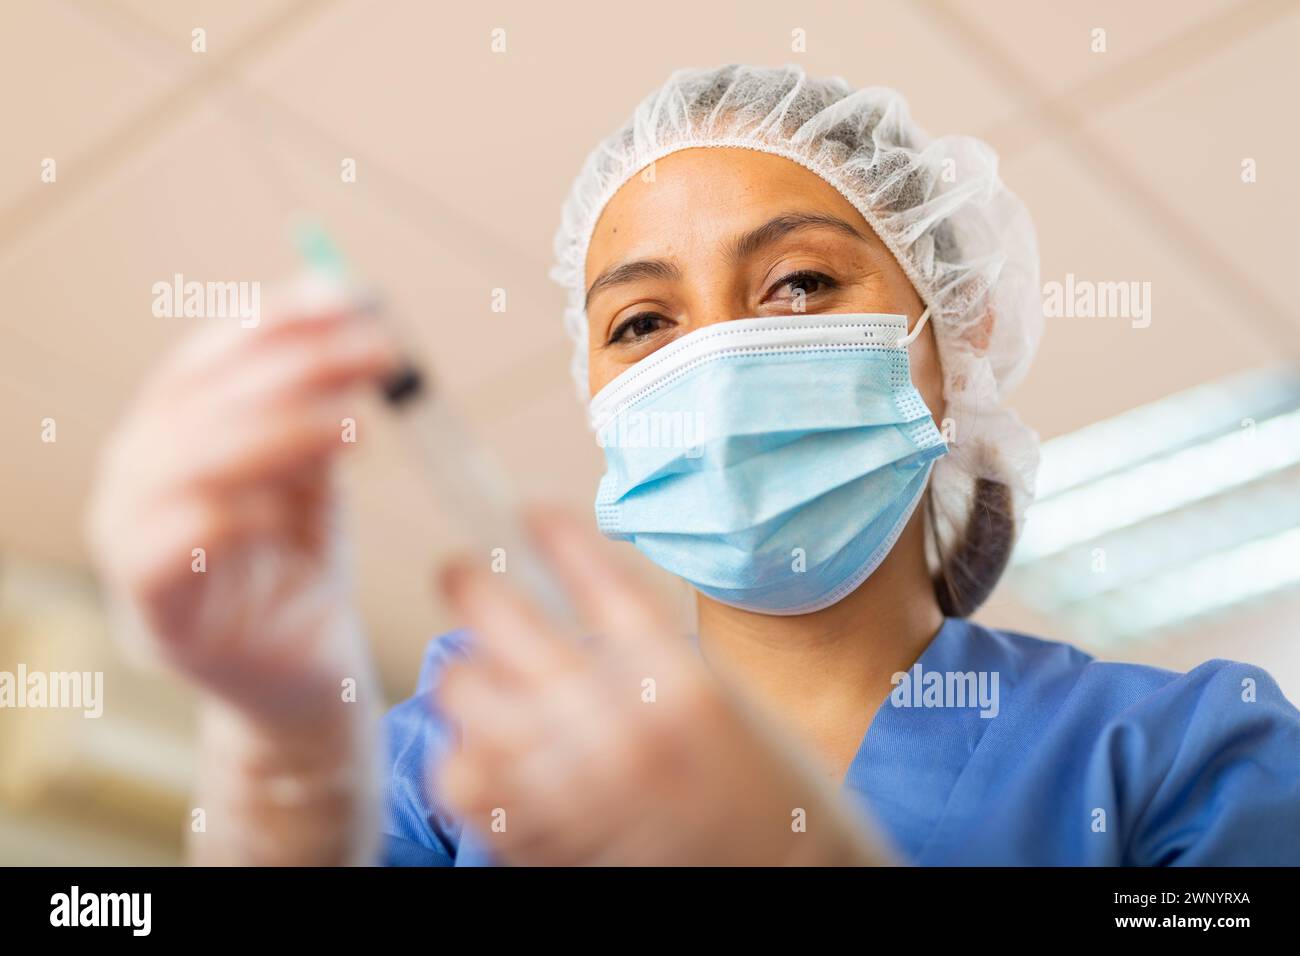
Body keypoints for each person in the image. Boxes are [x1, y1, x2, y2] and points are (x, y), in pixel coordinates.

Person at [88, 65, 1300, 867]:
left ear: (957, 331)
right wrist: (286, 745)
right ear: (604, 397)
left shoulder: (1182, 758)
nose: (717, 359)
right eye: (643, 324)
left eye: (798, 284)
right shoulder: (478, 730)